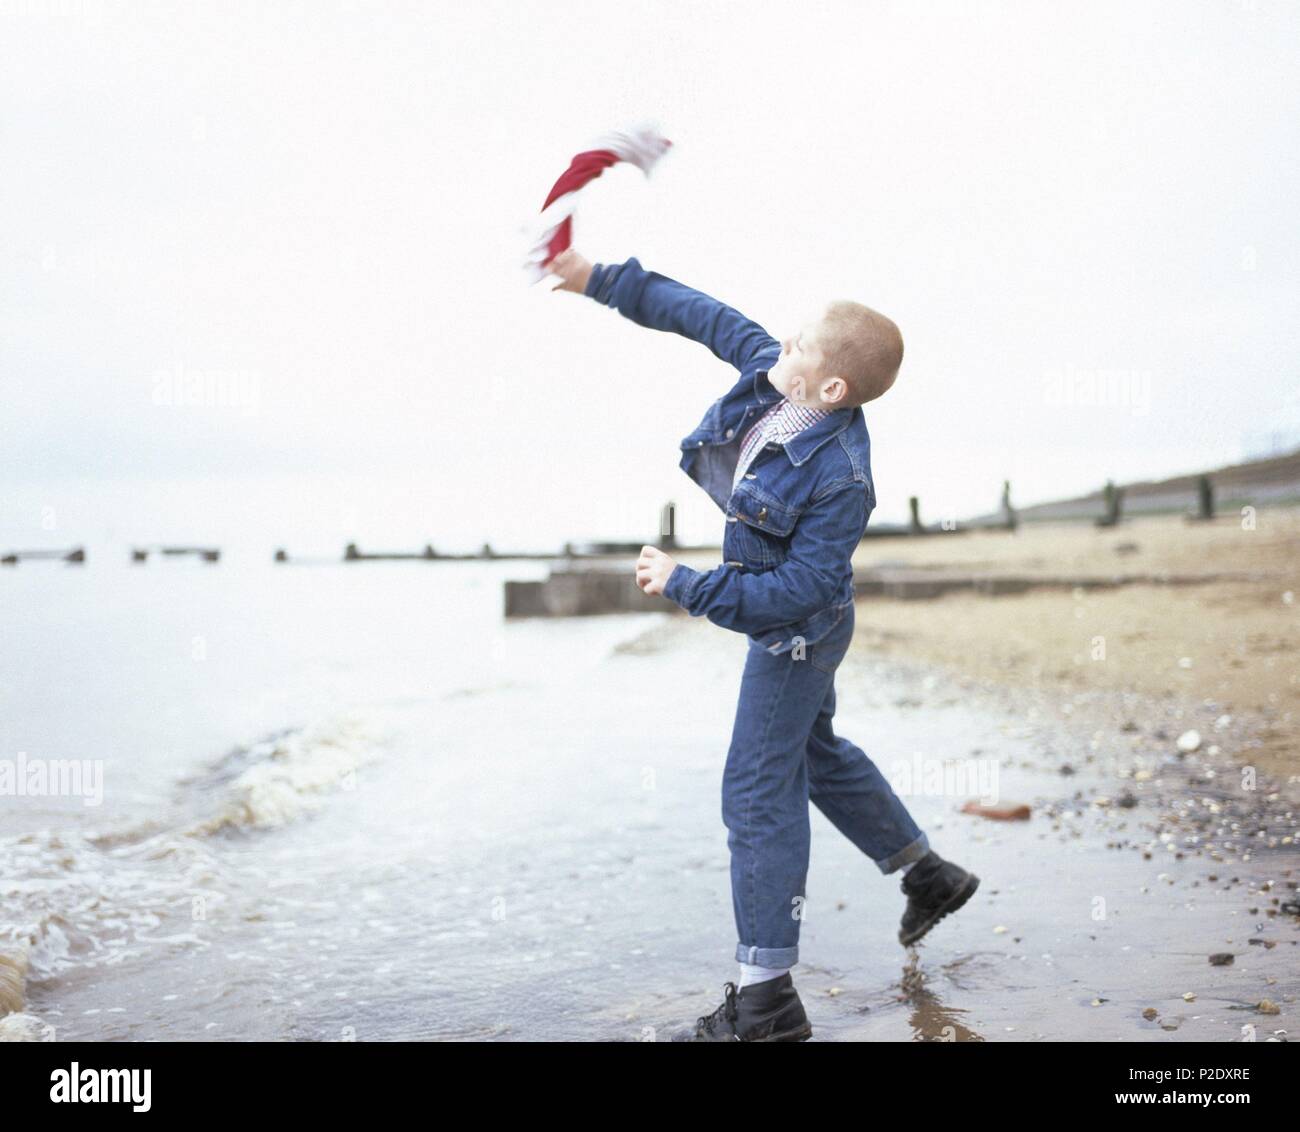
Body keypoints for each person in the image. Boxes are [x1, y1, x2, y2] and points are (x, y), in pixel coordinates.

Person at [550, 249, 979, 1042]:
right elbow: (702, 313)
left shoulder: (843, 476)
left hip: (799, 635)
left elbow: (800, 593)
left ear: (832, 389)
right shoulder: (776, 376)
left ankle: (766, 1002)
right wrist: (596, 280)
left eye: (797, 348)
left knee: (755, 788)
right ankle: (929, 873)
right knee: (813, 756)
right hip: (797, 623)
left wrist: (689, 585)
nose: (777, 348)